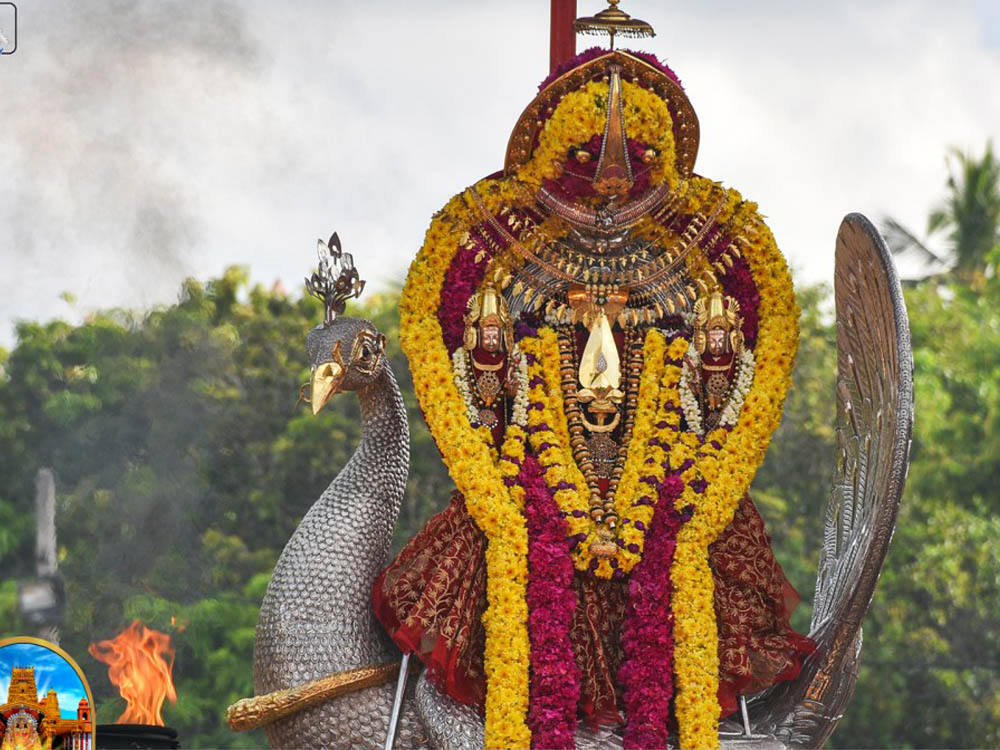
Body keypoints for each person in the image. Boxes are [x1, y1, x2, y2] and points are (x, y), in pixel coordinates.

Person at [377, 47, 815, 749]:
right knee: (499, 550)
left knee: (692, 560)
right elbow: (461, 354)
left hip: (665, 469)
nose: (611, 185)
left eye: (630, 162)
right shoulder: (510, 244)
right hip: (532, 470)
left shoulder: (700, 252)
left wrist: (707, 370)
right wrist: (500, 375)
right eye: (591, 158)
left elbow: (728, 379)